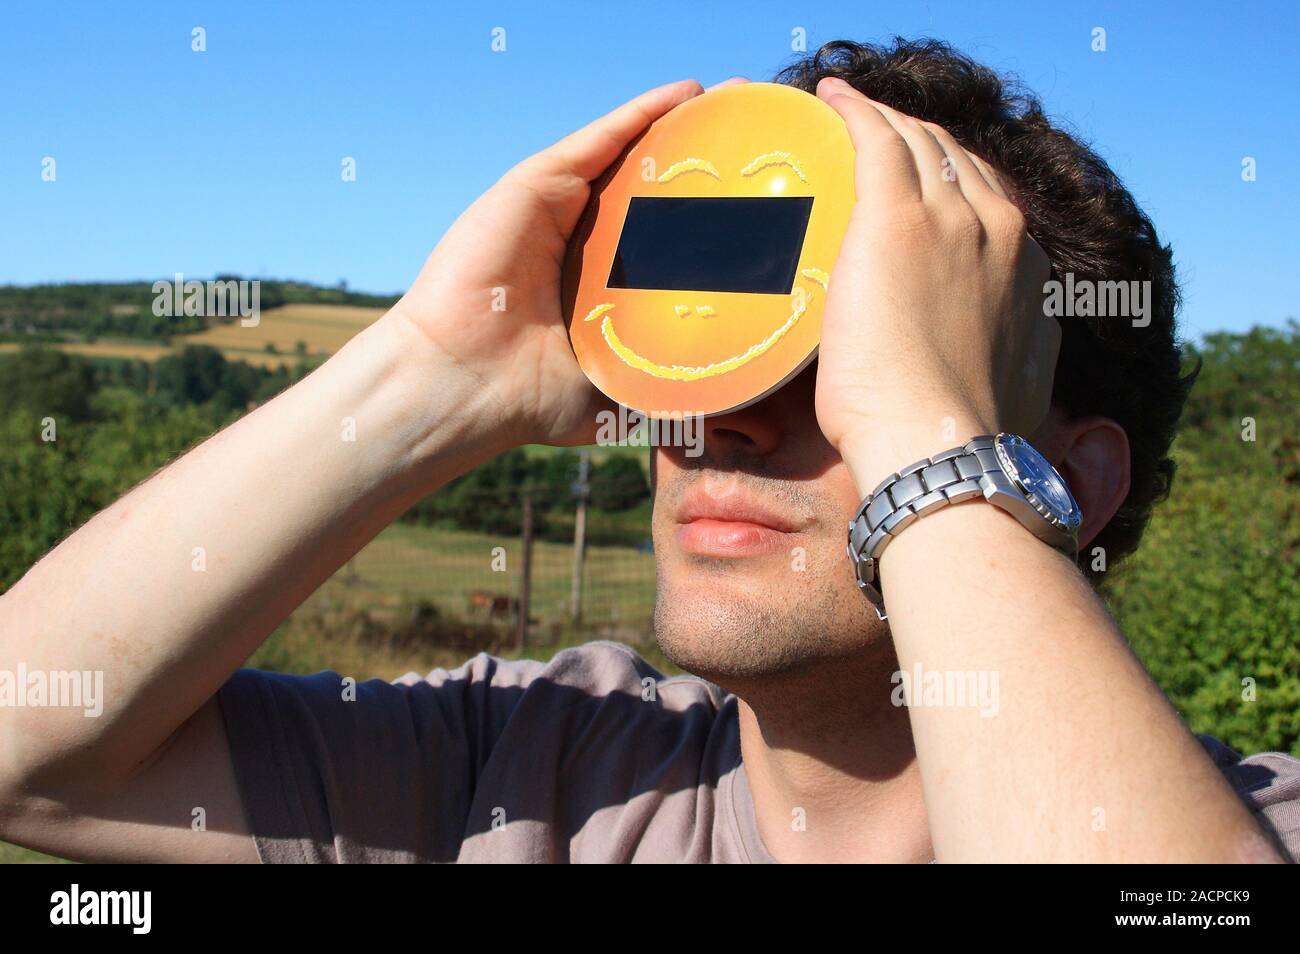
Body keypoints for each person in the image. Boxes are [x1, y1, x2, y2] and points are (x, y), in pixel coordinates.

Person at [1, 38, 1296, 863]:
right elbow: (30, 751)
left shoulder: (1252, 828)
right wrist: (438, 377)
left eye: (855, 355)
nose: (722, 415)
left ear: (1075, 476)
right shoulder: (530, 769)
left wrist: (930, 460)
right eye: (726, 342)